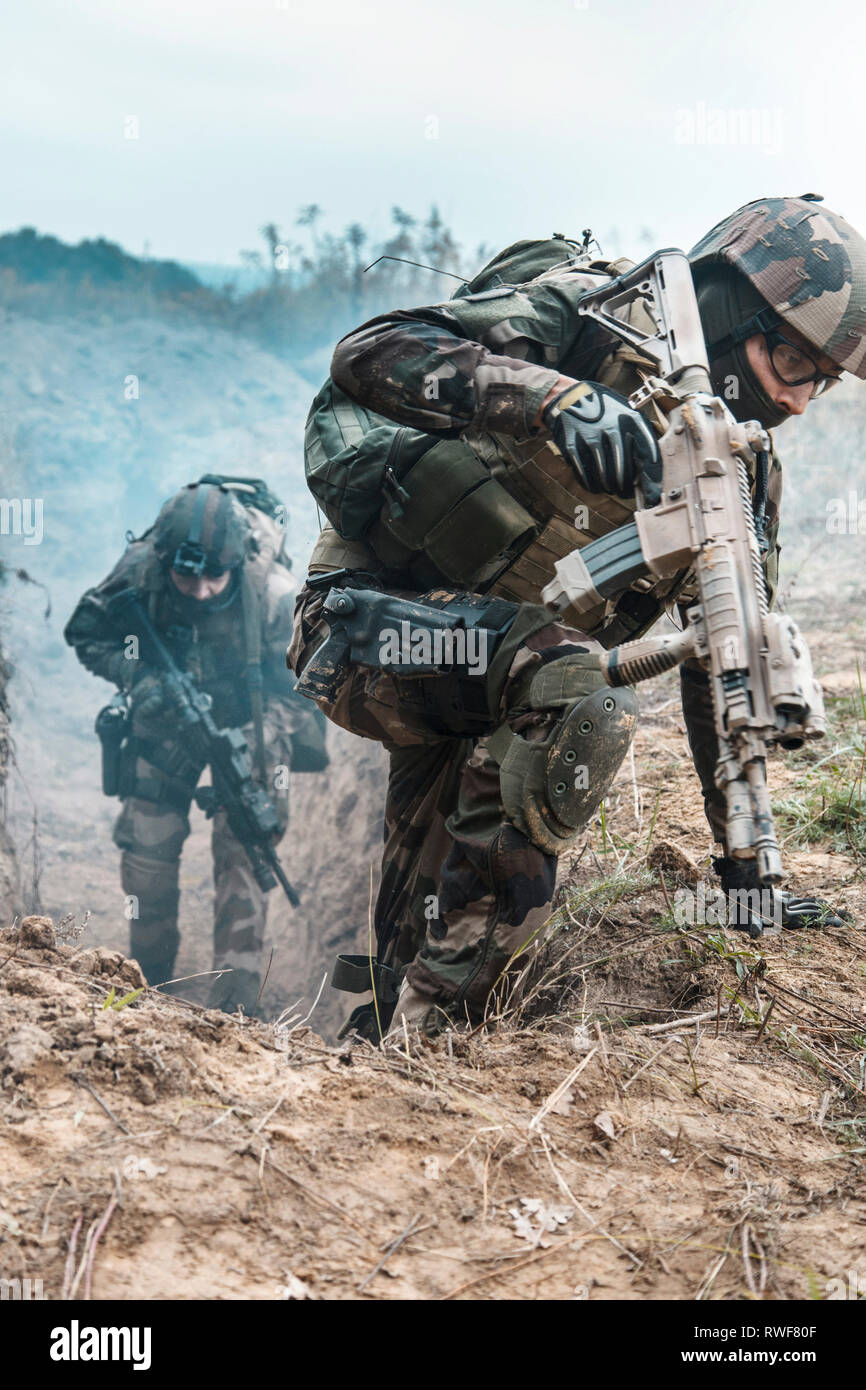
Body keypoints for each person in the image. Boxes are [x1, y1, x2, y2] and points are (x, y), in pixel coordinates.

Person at [289, 195, 864, 1040]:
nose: (801, 401)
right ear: (734, 305)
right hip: (369, 630)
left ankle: (383, 1057)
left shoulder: (738, 473)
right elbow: (370, 353)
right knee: (575, 684)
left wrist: (747, 867)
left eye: (823, 379)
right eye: (790, 360)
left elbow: (723, 664)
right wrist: (550, 397)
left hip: (494, 677)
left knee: (418, 934)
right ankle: (430, 1037)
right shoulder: (589, 317)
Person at [66, 476, 328, 1015]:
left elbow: (311, 690)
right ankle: (146, 982)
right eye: (187, 576)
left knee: (244, 853)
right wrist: (138, 677)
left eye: (216, 576)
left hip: (250, 732)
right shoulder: (141, 571)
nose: (202, 589)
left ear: (236, 565)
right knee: (147, 853)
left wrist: (262, 737)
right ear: (165, 563)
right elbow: (87, 632)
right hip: (164, 722)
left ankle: (235, 1005)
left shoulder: (274, 597)